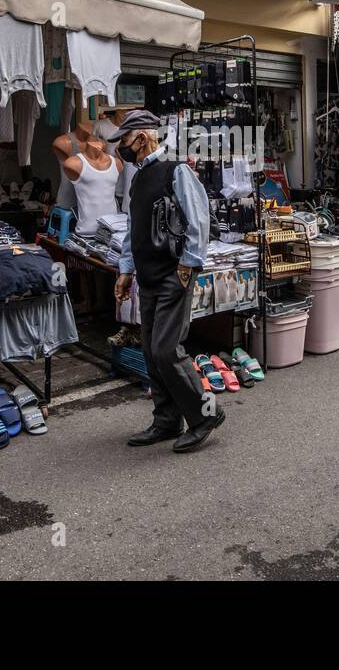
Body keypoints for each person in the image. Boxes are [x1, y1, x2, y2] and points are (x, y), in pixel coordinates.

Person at [112, 109, 222, 453]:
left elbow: (198, 220)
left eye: (126, 141)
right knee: (150, 350)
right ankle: (166, 420)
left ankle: (206, 414)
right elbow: (133, 229)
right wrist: (126, 270)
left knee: (166, 349)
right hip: (148, 277)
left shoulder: (177, 171)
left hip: (175, 274)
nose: (123, 149)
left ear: (142, 138)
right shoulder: (138, 178)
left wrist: (187, 267)